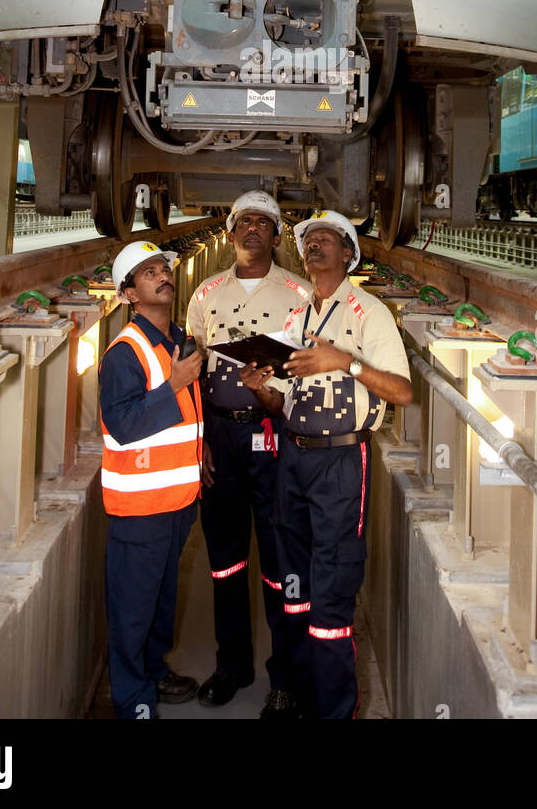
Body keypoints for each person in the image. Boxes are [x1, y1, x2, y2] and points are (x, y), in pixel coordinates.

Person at [276, 210, 413, 720]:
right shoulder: (297, 316)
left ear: (348, 254)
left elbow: (401, 390)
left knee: (331, 589)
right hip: (292, 457)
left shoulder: (368, 312)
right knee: (294, 584)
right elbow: (281, 395)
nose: (315, 246)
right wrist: (258, 384)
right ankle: (291, 690)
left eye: (327, 239)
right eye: (309, 240)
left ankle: (333, 711)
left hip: (339, 461)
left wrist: (346, 362)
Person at [186, 190, 310, 717]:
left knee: (282, 563)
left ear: (278, 237)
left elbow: (313, 372)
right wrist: (198, 441)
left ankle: (285, 679)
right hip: (220, 438)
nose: (253, 230)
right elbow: (191, 372)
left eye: (264, 223)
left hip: (275, 437)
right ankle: (232, 666)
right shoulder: (205, 293)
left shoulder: (303, 295)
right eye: (244, 222)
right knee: (226, 563)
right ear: (230, 232)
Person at [99, 239, 204, 720]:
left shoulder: (176, 339)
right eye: (147, 273)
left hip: (178, 500)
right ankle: (132, 701)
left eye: (163, 268)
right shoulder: (126, 352)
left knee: (161, 600)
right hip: (140, 507)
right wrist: (176, 384)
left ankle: (154, 671)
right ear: (128, 295)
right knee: (133, 610)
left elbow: (187, 417)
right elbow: (122, 425)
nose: (162, 275)